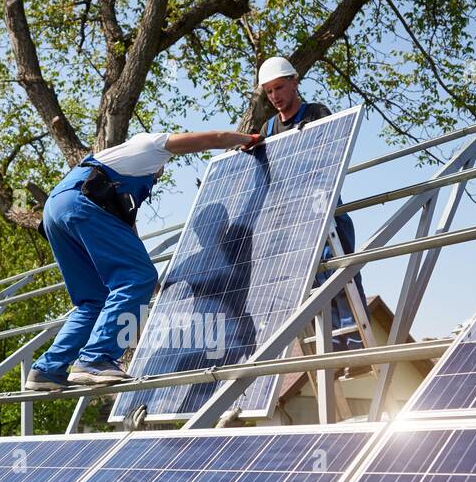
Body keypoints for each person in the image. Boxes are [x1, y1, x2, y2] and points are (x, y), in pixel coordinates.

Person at [26, 128, 261, 390]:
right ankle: (95, 359)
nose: (159, 176)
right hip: (81, 205)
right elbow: (213, 138)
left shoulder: (121, 168)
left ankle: (47, 370)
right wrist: (247, 140)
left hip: (56, 211)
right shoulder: (152, 145)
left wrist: (149, 281)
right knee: (135, 278)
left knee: (94, 300)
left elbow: (127, 231)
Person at [256, 56, 367, 337]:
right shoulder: (268, 129)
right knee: (308, 283)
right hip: (292, 220)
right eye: (269, 91)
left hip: (324, 209)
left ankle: (353, 343)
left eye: (279, 88)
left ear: (295, 82)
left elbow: (332, 156)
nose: (275, 96)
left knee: (339, 275)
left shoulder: (317, 113)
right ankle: (326, 344)